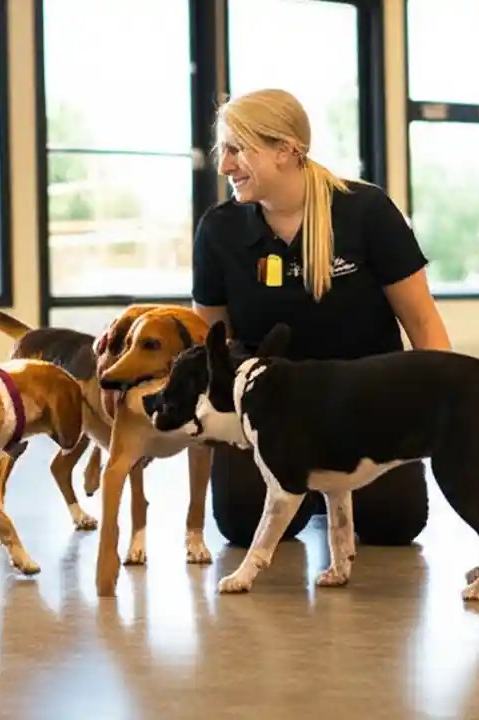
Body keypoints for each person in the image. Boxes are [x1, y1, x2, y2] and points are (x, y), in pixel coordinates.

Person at [190, 88, 453, 548]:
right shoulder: (220, 229)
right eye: (222, 151)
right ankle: (309, 492)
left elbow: (423, 323)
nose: (224, 166)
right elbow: (209, 340)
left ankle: (317, 490)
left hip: (366, 402)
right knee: (240, 521)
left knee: (395, 523)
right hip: (266, 408)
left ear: (287, 151)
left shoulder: (367, 212)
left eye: (236, 149)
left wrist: (444, 413)